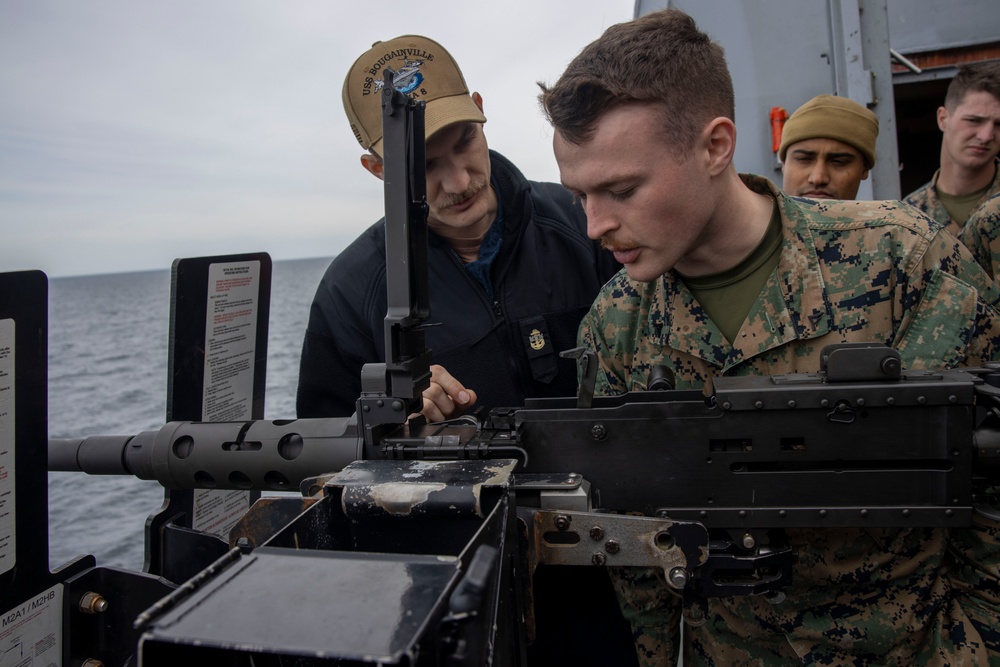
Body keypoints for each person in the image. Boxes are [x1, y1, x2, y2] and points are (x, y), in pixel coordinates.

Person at [540, 8, 1000, 666]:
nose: (594, 225)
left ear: (715, 145)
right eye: (579, 195)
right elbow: (635, 547)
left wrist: (978, 645)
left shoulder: (901, 260)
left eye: (621, 189)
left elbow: (991, 480)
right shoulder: (617, 325)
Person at [296, 35, 619, 420]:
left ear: (480, 110)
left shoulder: (586, 222)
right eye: (425, 166)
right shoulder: (347, 295)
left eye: (465, 141)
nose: (459, 183)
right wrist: (391, 420)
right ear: (378, 169)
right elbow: (327, 461)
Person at [905, 61, 1000, 235]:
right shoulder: (908, 218)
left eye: (998, 125)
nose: (986, 136)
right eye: (974, 121)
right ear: (942, 119)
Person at [779, 94, 878, 200]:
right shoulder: (761, 216)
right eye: (804, 159)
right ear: (784, 163)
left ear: (864, 169)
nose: (818, 178)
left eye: (839, 162)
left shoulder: (891, 215)